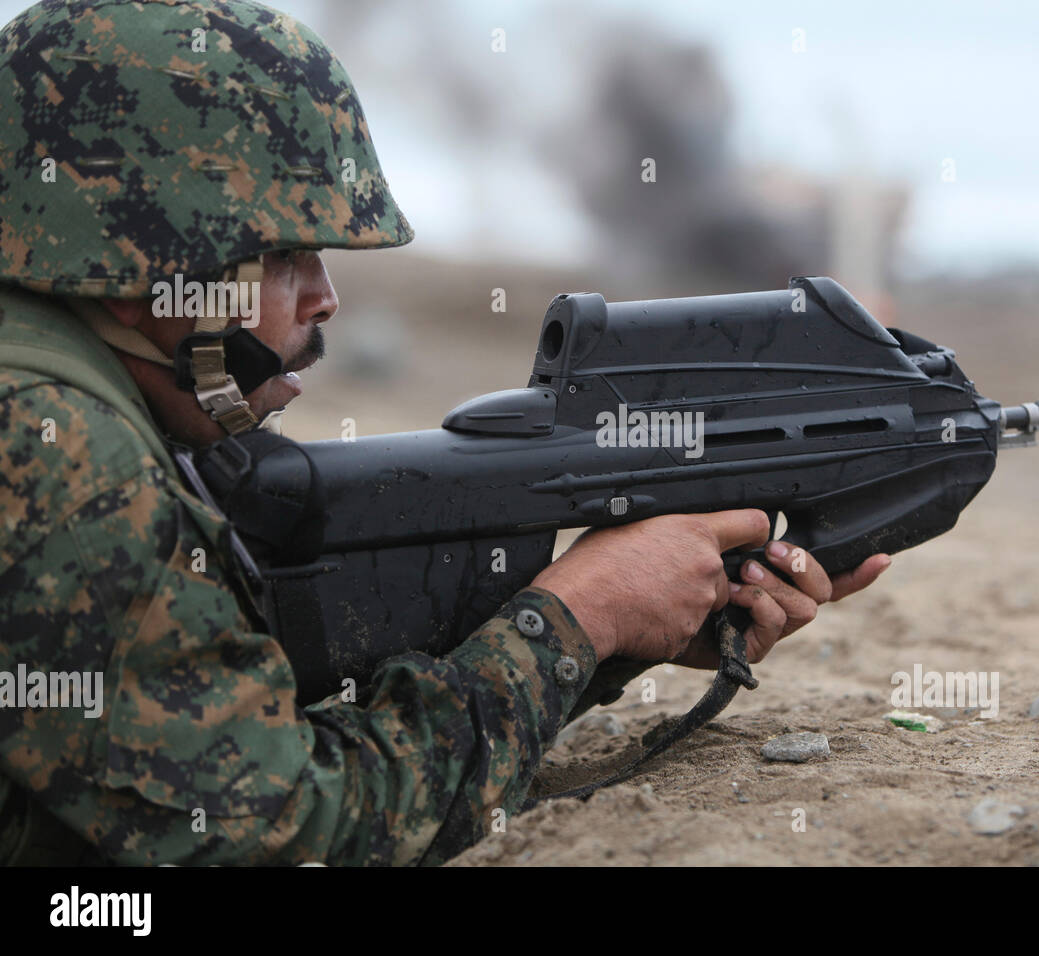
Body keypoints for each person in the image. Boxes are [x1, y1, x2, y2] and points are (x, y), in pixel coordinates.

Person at [0, 0, 889, 866]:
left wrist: (610, 636)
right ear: (138, 270)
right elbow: (291, 834)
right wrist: (579, 615)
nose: (324, 296)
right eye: (280, 256)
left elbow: (214, 704)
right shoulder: (68, 460)